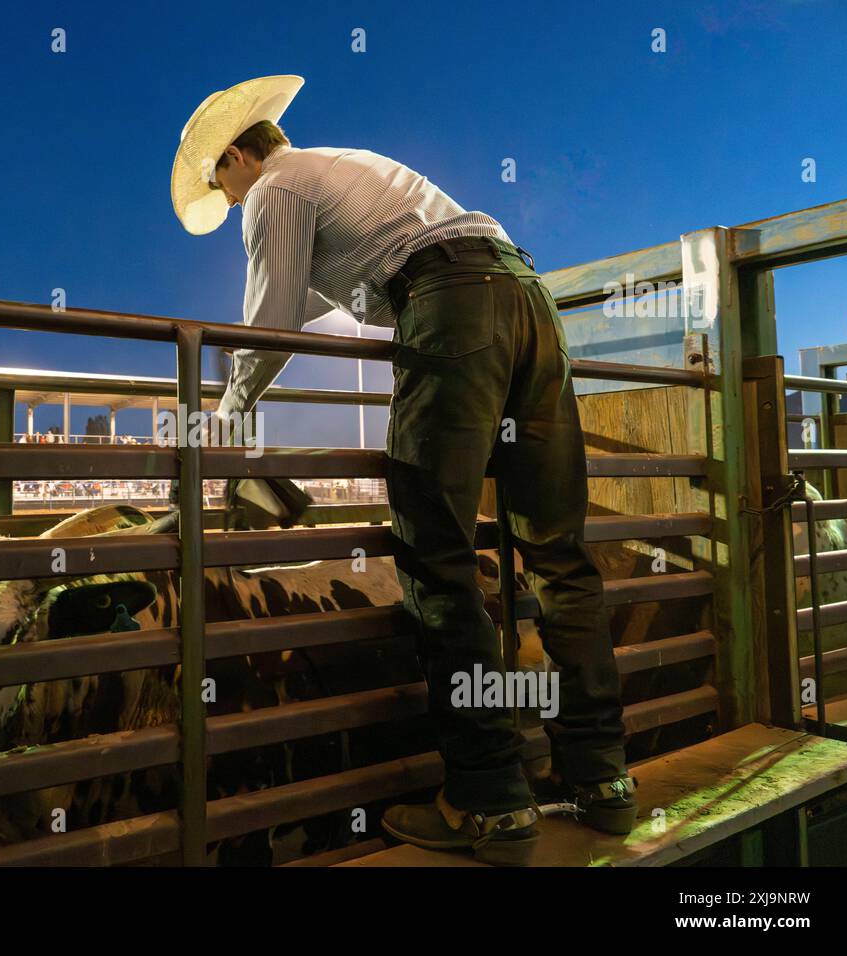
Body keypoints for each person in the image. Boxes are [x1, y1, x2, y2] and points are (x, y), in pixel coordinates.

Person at [171, 75, 635, 865]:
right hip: (525, 298)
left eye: (226, 187)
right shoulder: (344, 167)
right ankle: (601, 779)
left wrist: (228, 414)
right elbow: (334, 296)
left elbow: (273, 317)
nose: (234, 208)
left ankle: (489, 800)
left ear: (241, 156)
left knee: (436, 555)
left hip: (451, 309)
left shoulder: (276, 190)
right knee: (558, 551)